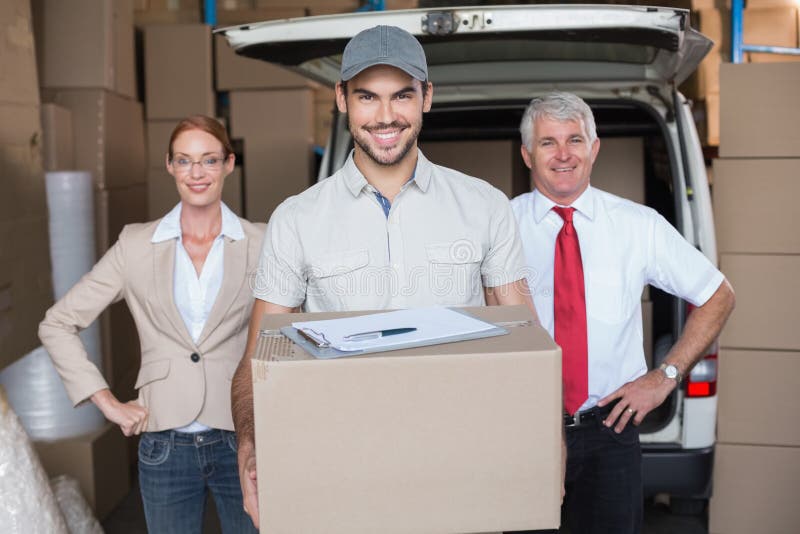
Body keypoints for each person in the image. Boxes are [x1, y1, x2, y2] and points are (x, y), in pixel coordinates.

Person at [232, 25, 556, 529]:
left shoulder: (485, 207)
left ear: (427, 97)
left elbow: (527, 346)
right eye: (367, 96)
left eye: (401, 95)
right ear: (341, 99)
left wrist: (544, 450)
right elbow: (259, 360)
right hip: (338, 471)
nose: (385, 116)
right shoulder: (296, 219)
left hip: (459, 468)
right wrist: (250, 450)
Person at [510, 91, 735, 534]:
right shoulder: (499, 227)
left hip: (608, 432)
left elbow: (718, 294)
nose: (563, 155)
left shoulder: (639, 225)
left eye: (575, 140)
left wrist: (665, 377)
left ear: (594, 149)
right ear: (527, 154)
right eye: (548, 142)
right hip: (522, 431)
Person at [39, 116, 263, 533]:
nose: (196, 173)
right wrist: (105, 401)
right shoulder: (135, 245)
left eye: (209, 160)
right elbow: (57, 323)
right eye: (184, 160)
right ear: (169, 166)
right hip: (164, 442)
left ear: (229, 164)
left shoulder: (263, 242)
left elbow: (291, 328)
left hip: (243, 438)